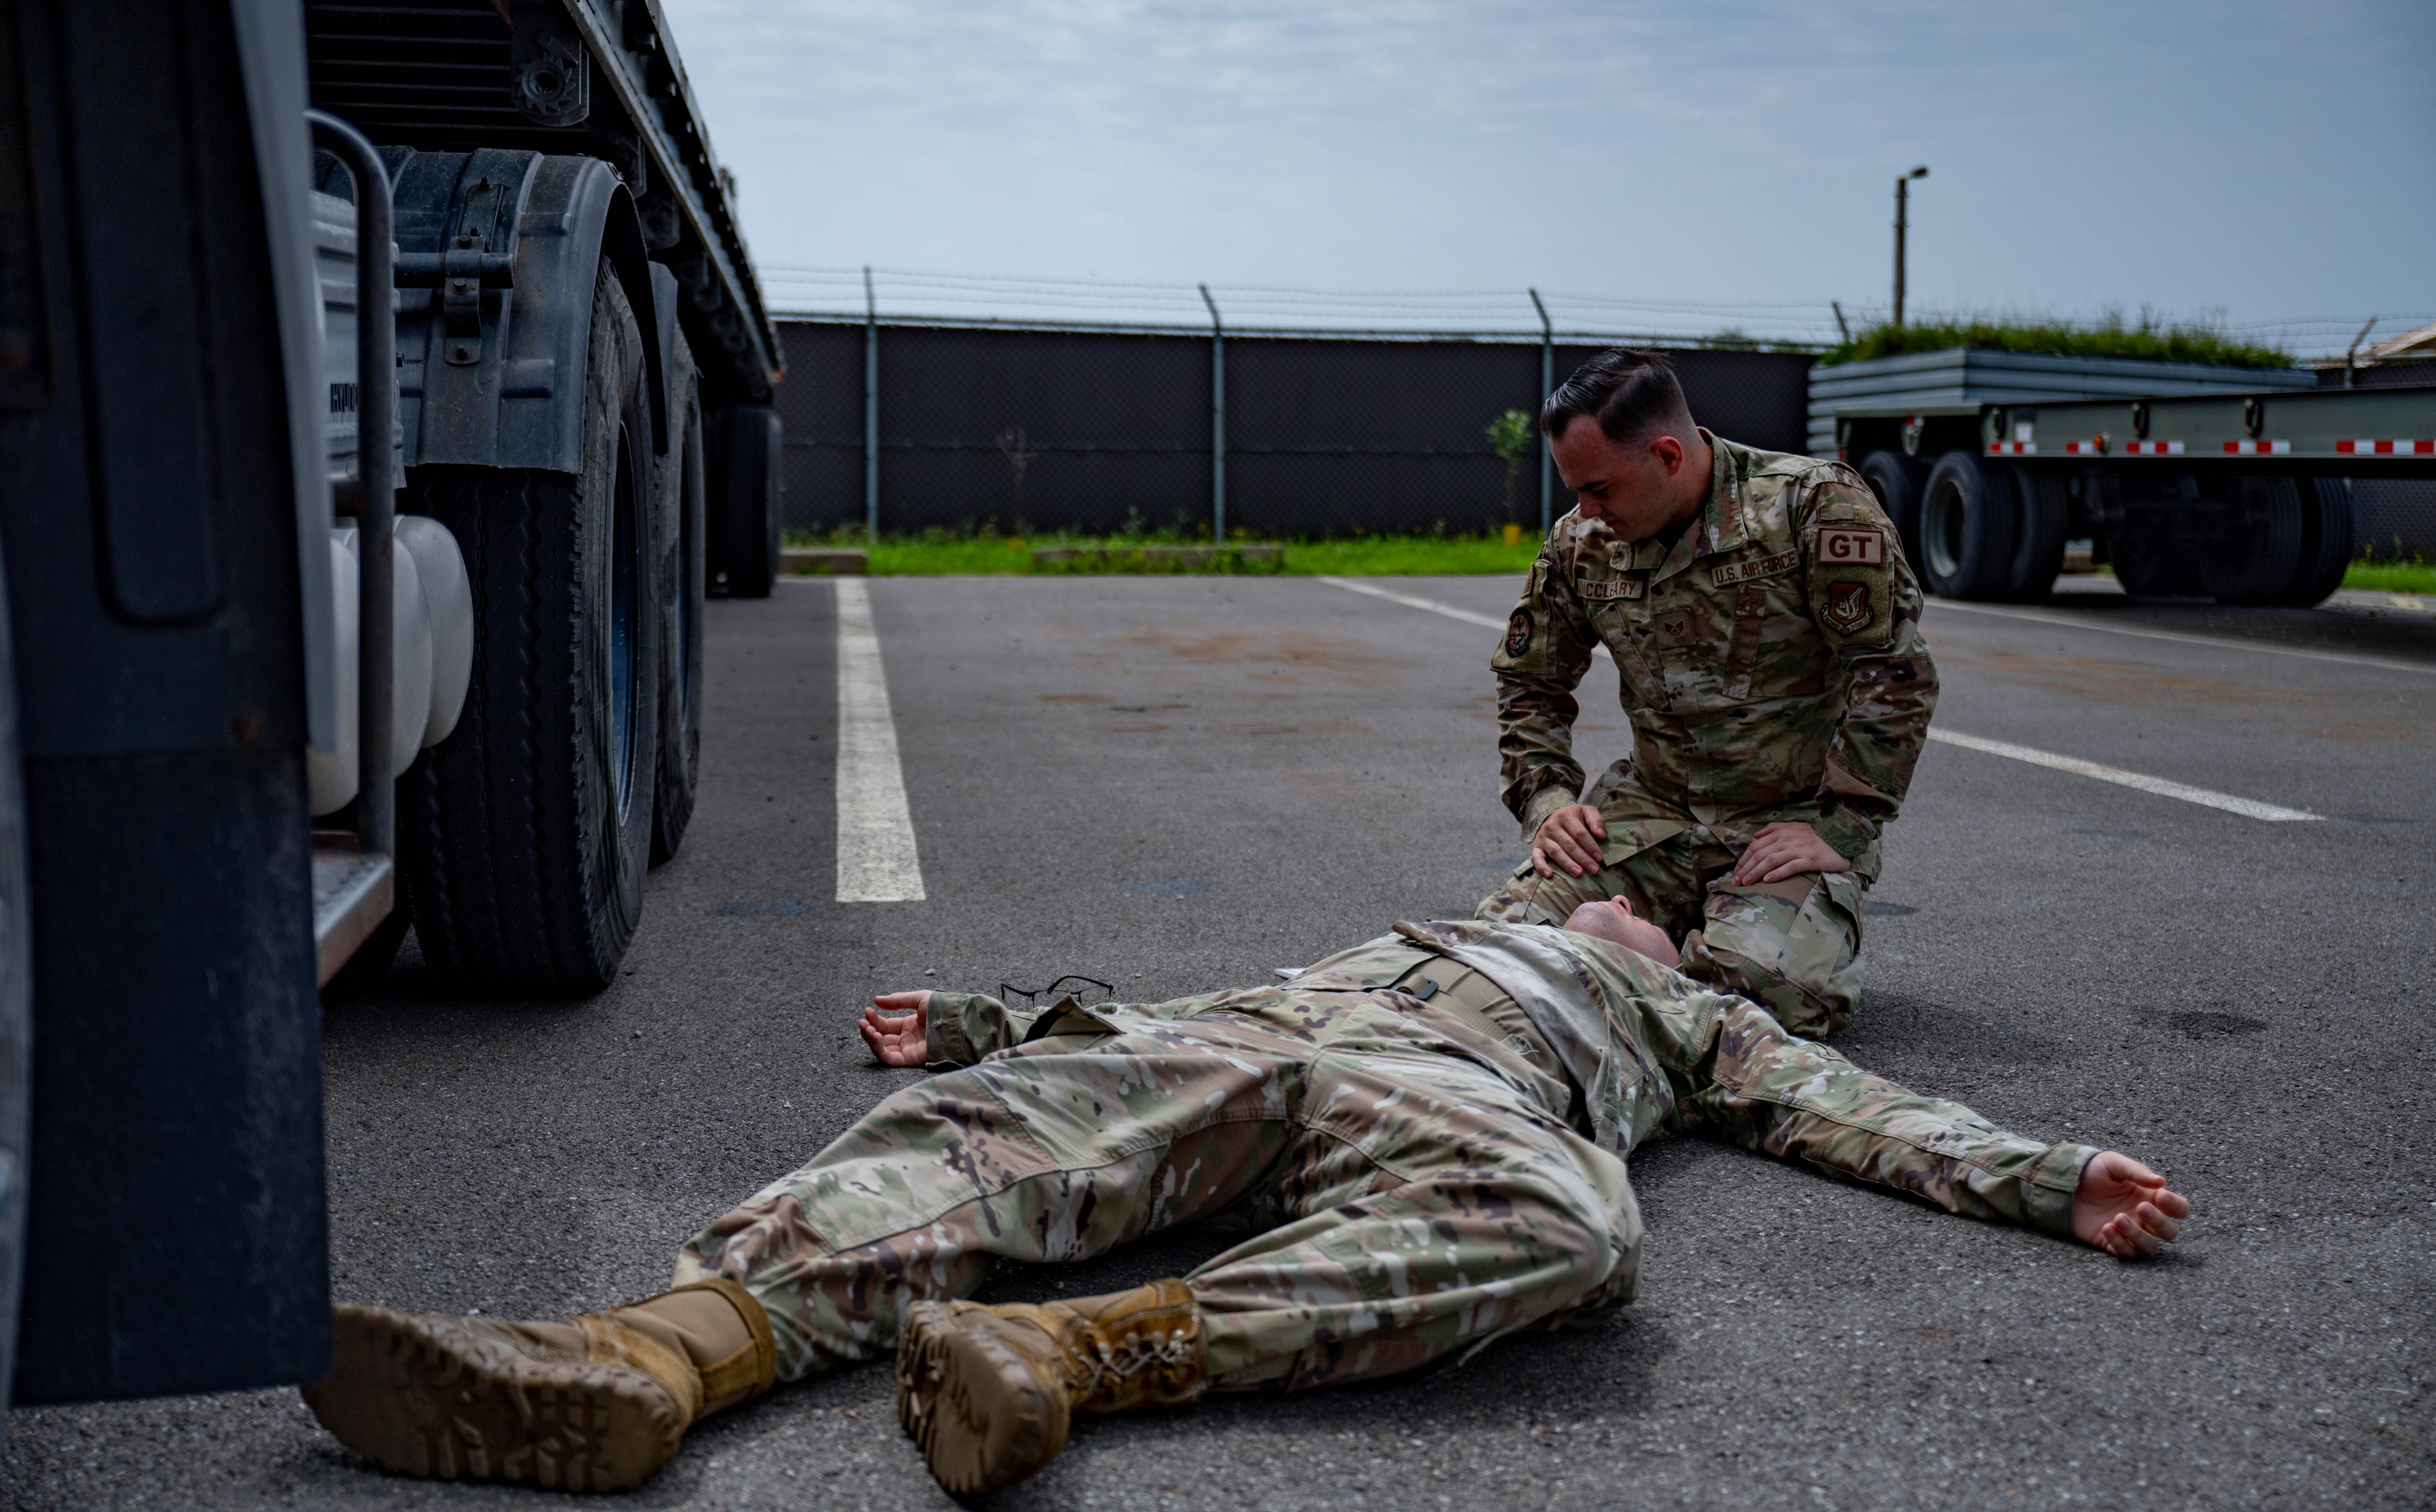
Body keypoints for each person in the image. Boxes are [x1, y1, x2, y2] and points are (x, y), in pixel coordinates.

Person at [300, 900, 2185, 1497]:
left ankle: (1063, 1358)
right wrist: (983, 1018)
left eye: (1634, 903)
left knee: (1584, 1231)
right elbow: (1168, 1001)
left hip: (1470, 1098)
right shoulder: (1453, 912)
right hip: (1273, 1032)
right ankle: (645, 1357)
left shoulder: (1688, 1014)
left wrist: (2049, 1175)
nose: (1608, 896)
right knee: (1009, 1131)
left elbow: (1859, 1104)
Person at [1479, 348, 1939, 1038]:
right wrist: (1547, 800)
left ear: (1668, 456)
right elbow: (1531, 678)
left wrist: (1841, 828)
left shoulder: (1812, 508)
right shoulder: (1583, 543)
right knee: (1501, 954)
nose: (1585, 510)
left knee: (1769, 994)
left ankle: (1688, 944)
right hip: (1655, 811)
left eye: (1599, 488)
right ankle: (1678, 946)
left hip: (1784, 821)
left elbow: (1894, 672)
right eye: (1575, 489)